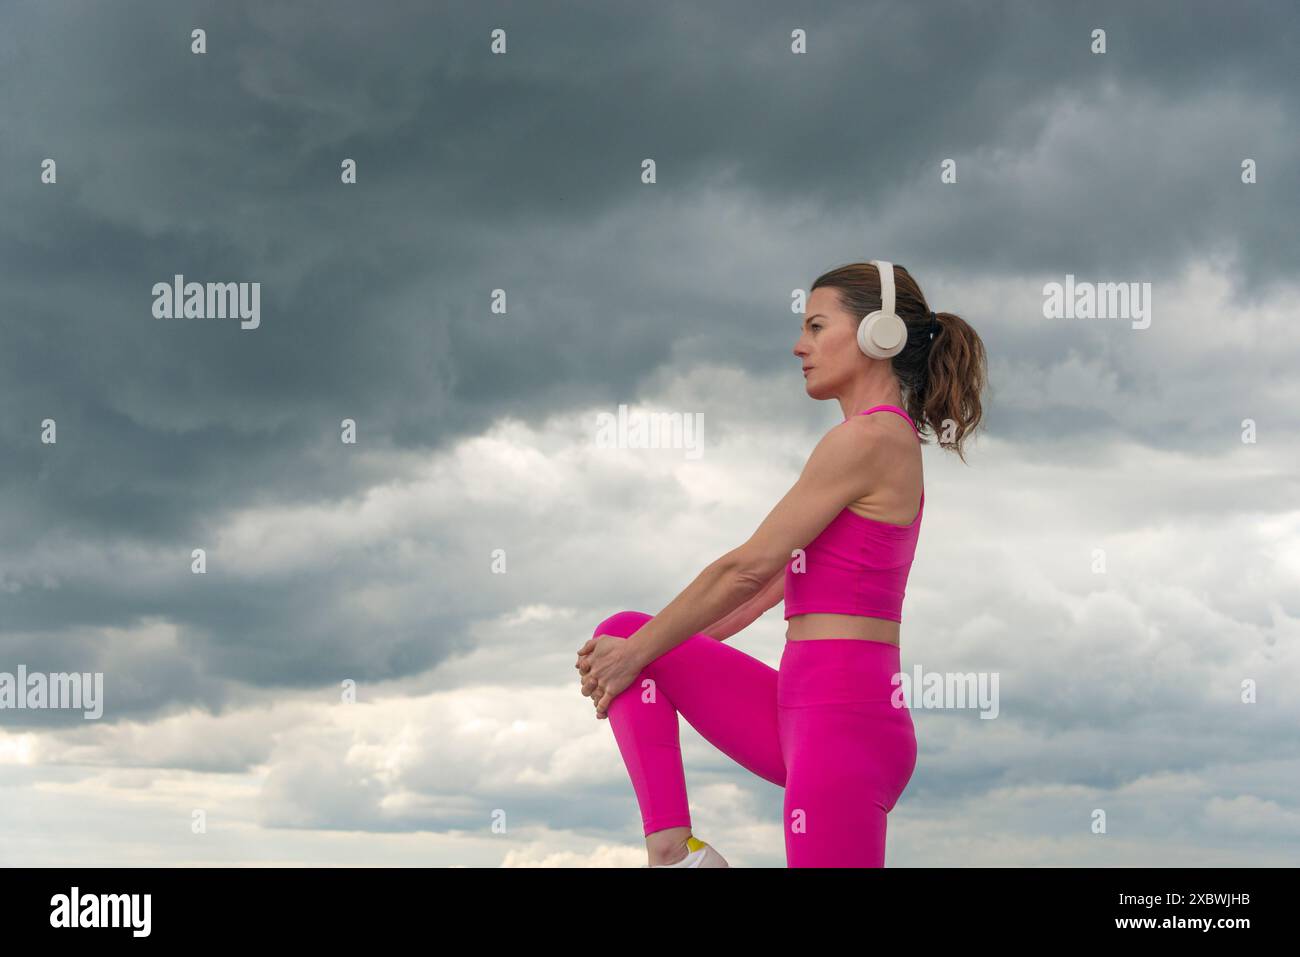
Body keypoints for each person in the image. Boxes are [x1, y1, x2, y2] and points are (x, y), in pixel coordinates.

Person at [576, 260, 987, 867]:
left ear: (880, 334)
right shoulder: (859, 443)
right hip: (795, 709)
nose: (800, 346)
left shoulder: (871, 440)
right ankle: (672, 850)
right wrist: (640, 659)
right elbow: (759, 590)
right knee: (624, 632)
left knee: (633, 645)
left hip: (844, 722)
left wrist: (636, 658)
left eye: (817, 327)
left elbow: (745, 567)